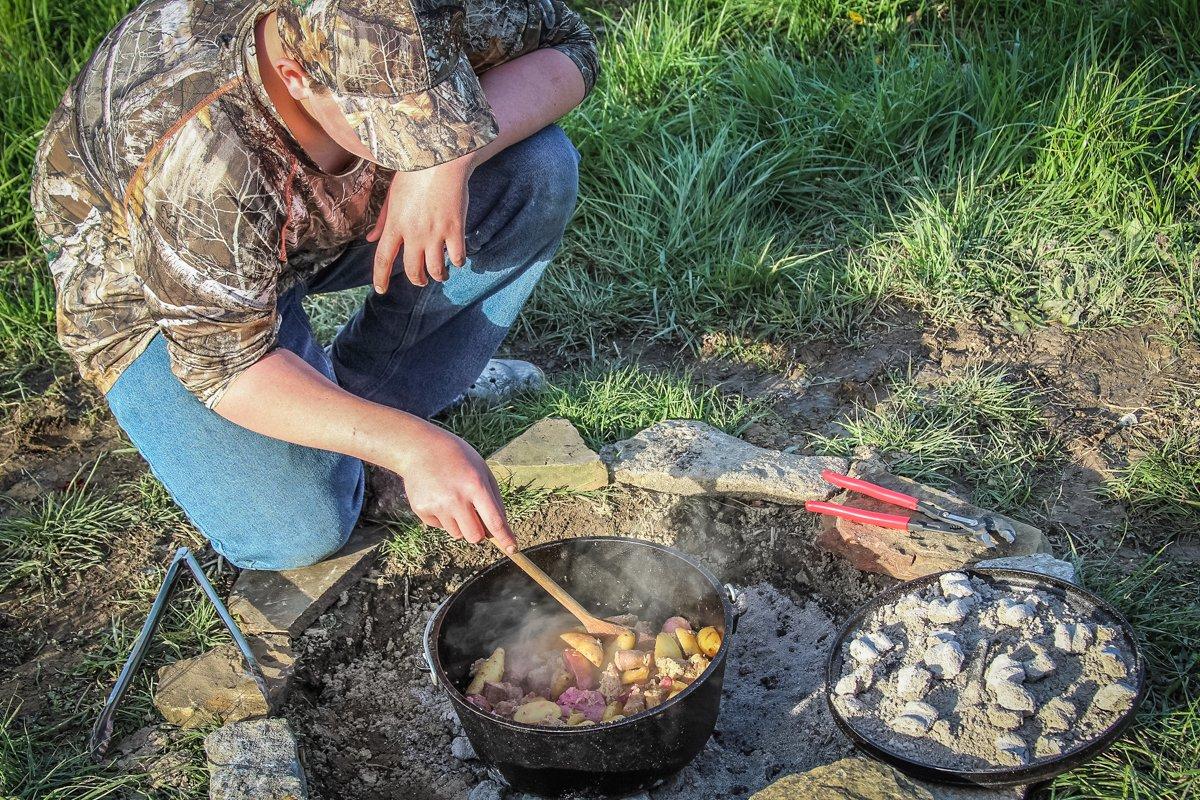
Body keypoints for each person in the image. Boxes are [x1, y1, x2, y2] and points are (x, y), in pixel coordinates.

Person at [31, 0, 598, 569]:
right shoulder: (193, 154)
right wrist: (412, 447)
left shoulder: (408, 12)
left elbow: (571, 48)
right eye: (392, 125)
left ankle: (385, 400)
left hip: (318, 222)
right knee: (302, 525)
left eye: (432, 109)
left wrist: (441, 167)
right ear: (295, 77)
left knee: (537, 167)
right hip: (156, 285)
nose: (425, 138)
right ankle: (370, 431)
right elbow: (224, 366)